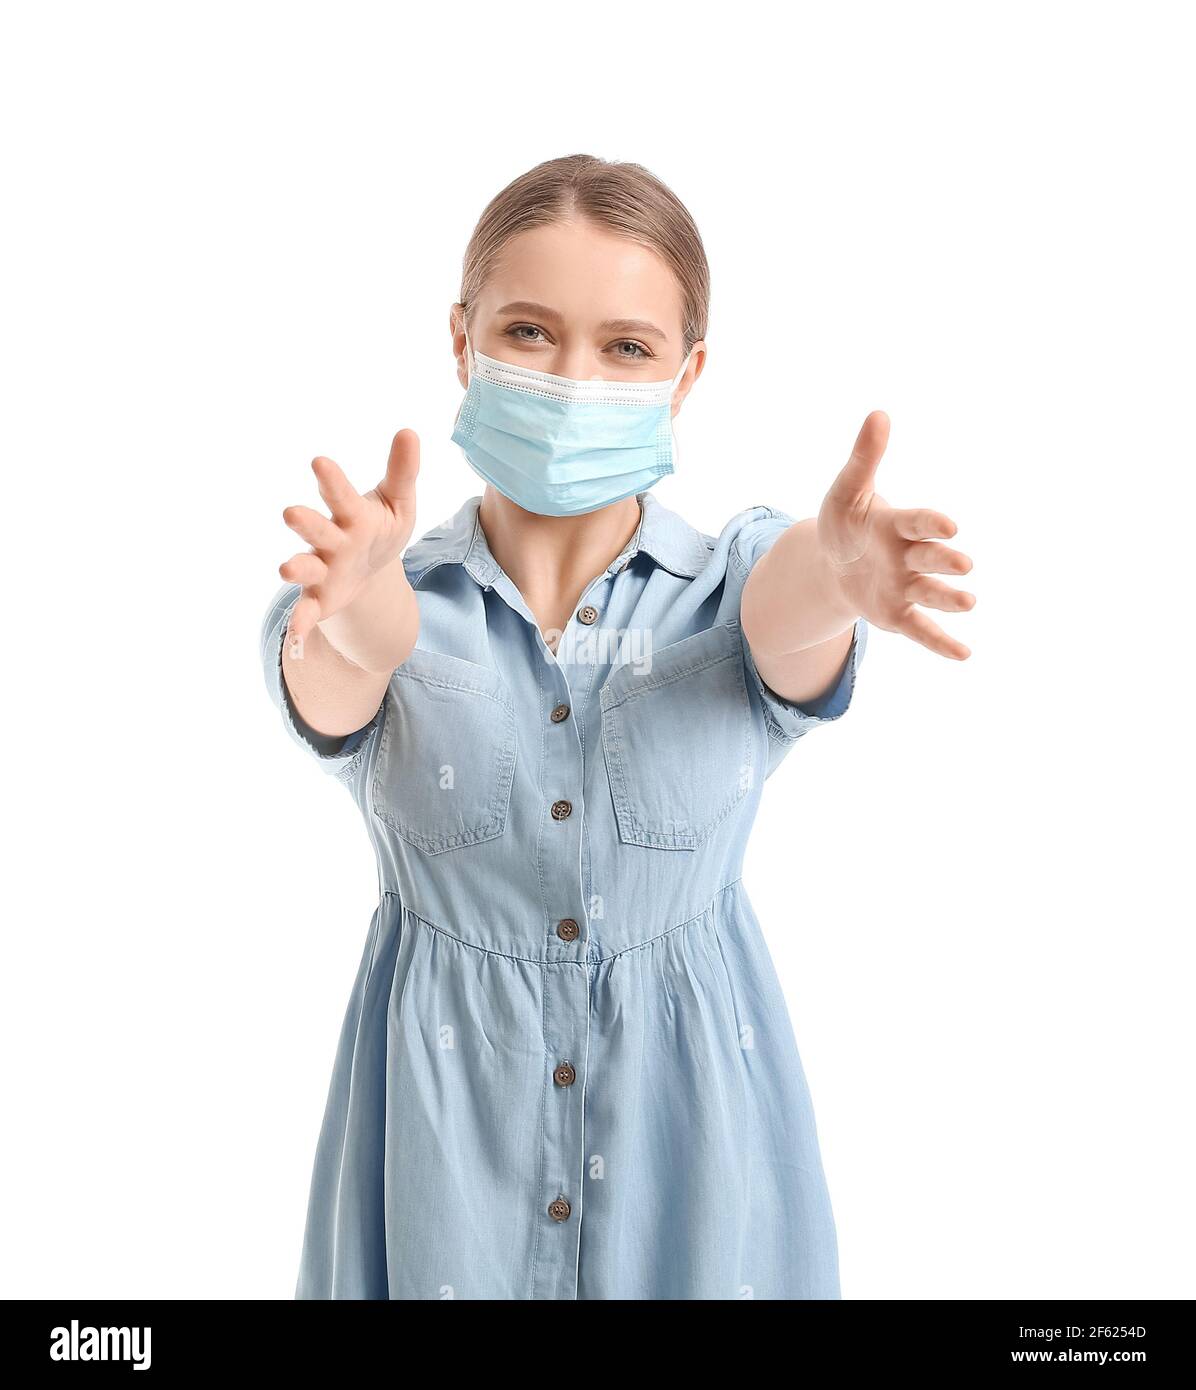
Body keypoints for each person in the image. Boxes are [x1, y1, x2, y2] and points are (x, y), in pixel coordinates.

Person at [259, 153, 974, 1300]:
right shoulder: (379, 586)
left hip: (693, 1170)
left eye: (625, 347)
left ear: (685, 374)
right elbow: (357, 657)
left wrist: (836, 576)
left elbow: (782, 613)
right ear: (462, 341)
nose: (573, 379)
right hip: (445, 1171)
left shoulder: (728, 592)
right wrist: (353, 607)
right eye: (530, 333)